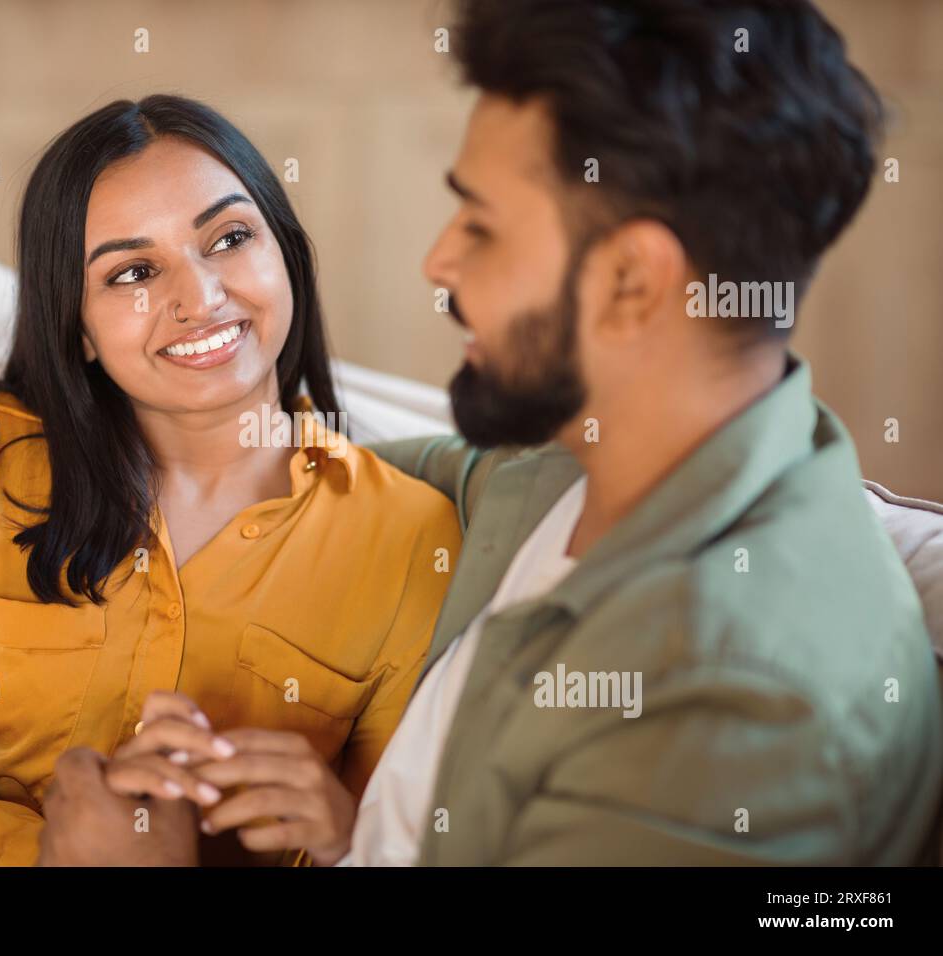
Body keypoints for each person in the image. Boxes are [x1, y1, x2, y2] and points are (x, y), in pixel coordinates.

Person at [115, 0, 943, 865]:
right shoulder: (571, 468)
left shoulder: (723, 704)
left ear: (633, 280)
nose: (440, 260)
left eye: (481, 224)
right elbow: (291, 466)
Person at [0, 94, 460, 867]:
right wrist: (64, 857)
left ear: (284, 252)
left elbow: (392, 838)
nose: (201, 299)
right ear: (76, 324)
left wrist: (348, 839)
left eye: (230, 237)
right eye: (135, 271)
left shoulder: (412, 539)